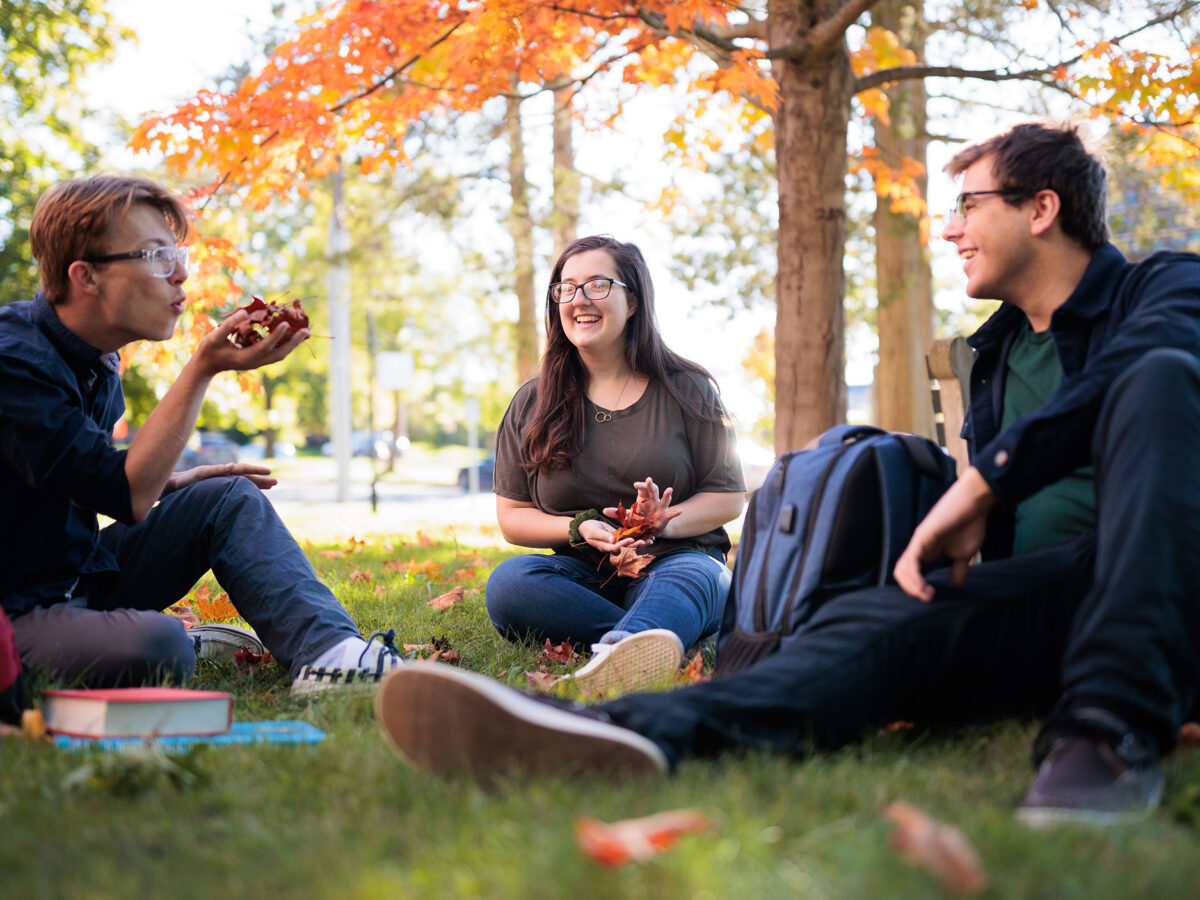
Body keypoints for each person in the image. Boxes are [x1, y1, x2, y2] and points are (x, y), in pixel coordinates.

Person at [375, 123, 1200, 826]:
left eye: (969, 206)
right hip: (1046, 604)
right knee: (860, 632)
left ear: (1042, 208)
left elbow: (1144, 369)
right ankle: (605, 731)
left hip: (1164, 597)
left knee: (1158, 378)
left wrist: (986, 484)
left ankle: (1107, 733)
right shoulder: (997, 352)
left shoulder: (1165, 289)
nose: (949, 230)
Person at [0, 175, 404, 695]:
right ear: (86, 276)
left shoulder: (98, 360)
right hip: (16, 610)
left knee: (225, 497)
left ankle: (331, 655)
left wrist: (172, 483)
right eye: (154, 256)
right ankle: (169, 643)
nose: (181, 274)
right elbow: (126, 494)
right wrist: (203, 367)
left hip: (73, 576)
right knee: (161, 646)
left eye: (176, 253)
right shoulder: (15, 362)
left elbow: (79, 477)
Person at [484, 235, 746, 696]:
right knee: (510, 583)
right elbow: (513, 517)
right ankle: (652, 642)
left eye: (597, 285)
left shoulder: (688, 388)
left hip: (675, 561)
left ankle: (623, 651)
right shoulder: (533, 401)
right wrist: (579, 527)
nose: (578, 299)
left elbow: (727, 496)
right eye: (565, 288)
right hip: (586, 578)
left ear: (634, 300)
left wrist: (663, 524)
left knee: (698, 576)